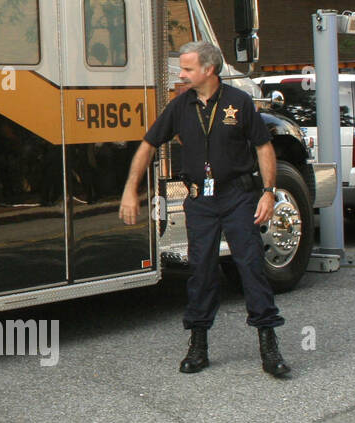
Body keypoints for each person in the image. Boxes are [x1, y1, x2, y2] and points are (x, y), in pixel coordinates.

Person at [118, 41, 290, 378]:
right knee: (202, 272)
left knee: (251, 266)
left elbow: (264, 148)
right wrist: (129, 189)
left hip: (238, 197)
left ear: (208, 70)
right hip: (201, 202)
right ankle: (198, 346)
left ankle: (269, 346)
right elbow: (147, 145)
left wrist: (269, 193)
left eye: (187, 68)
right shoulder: (180, 106)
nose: (180, 75)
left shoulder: (239, 103)